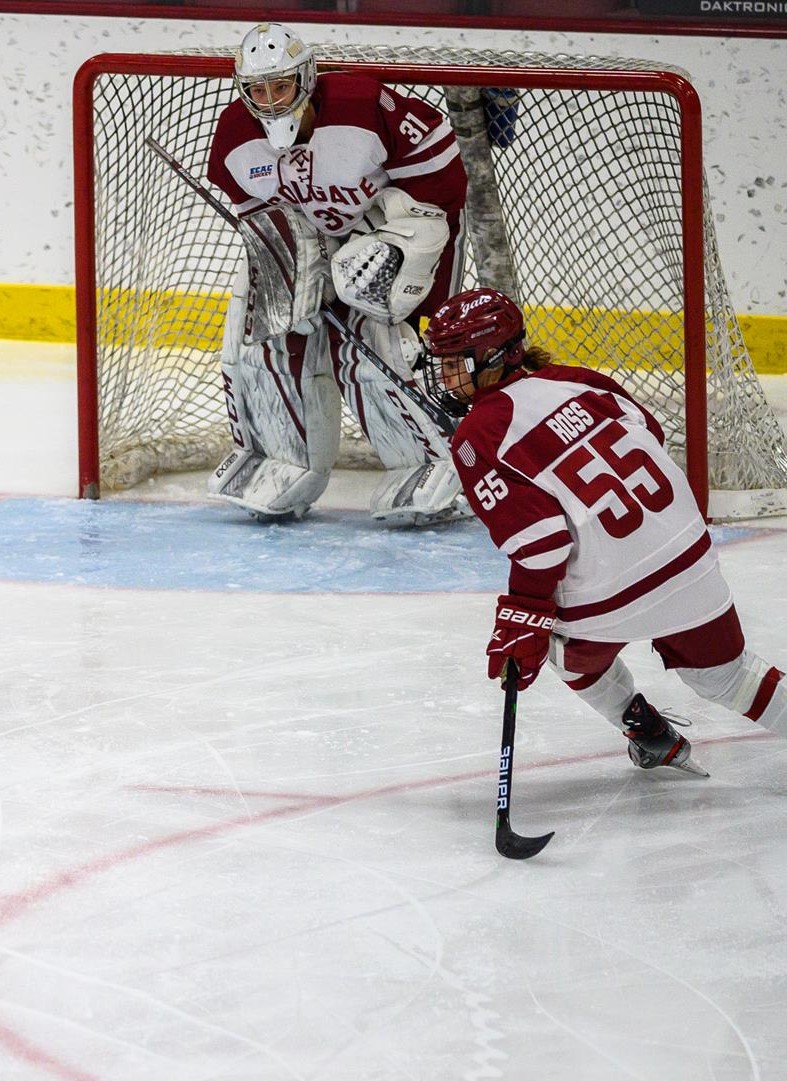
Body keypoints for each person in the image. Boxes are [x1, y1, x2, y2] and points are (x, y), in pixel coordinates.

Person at [422, 286, 785, 774]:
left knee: (561, 651)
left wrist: (521, 621)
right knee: (730, 679)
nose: (444, 375)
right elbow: (650, 435)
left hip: (608, 595)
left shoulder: (477, 435)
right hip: (691, 558)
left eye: (454, 361)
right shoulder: (581, 381)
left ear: (495, 357)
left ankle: (649, 732)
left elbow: (542, 545)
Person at [204, 22, 469, 525]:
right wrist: (291, 266)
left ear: (306, 79)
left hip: (385, 225)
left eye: (280, 85)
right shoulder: (235, 139)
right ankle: (284, 459)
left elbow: (440, 187)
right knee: (268, 327)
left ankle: (429, 463)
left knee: (380, 342)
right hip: (310, 236)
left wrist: (406, 258)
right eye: (257, 89)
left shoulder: (361, 106)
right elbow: (264, 223)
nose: (270, 99)